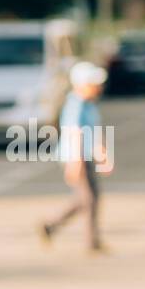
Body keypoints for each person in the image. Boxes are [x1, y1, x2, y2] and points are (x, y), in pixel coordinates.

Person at [41, 61, 110, 253]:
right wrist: (75, 163)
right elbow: (74, 134)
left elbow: (94, 132)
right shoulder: (75, 105)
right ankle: (91, 242)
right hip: (76, 156)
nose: (98, 86)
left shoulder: (89, 105)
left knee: (87, 198)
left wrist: (102, 155)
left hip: (85, 156)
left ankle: (51, 226)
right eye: (94, 83)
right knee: (88, 199)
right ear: (81, 84)